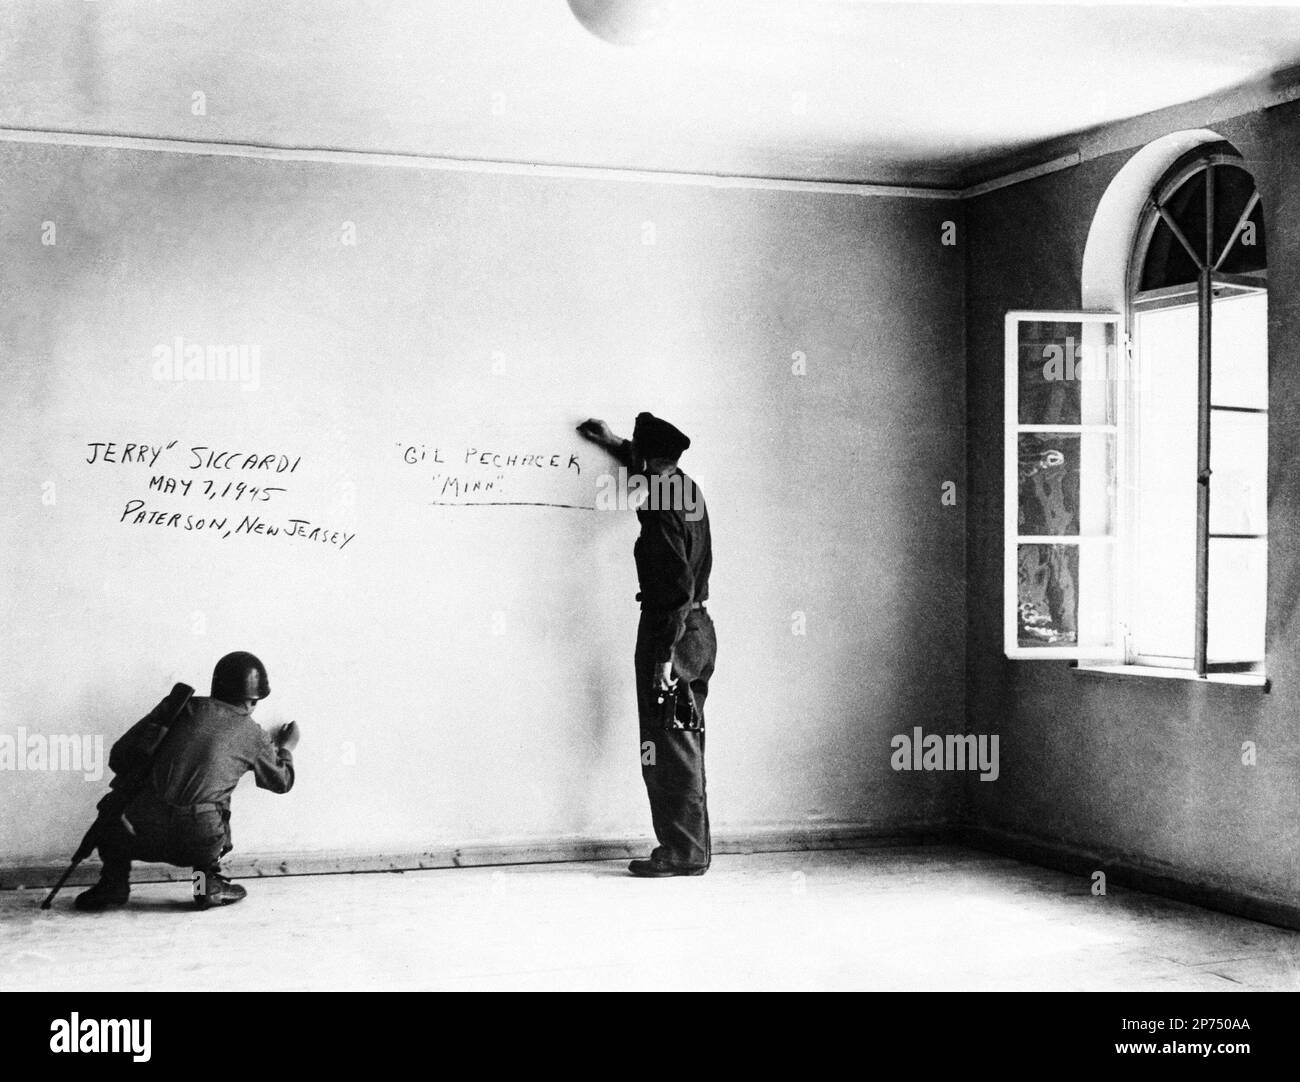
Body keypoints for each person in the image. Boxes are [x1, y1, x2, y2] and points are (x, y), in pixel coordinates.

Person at [578, 412, 716, 877]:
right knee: (681, 741)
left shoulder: (661, 502)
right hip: (697, 630)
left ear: (651, 457)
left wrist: (662, 657)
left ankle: (683, 853)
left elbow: (674, 586)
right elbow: (645, 463)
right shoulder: (682, 486)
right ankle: (689, 848)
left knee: (668, 746)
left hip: (671, 631)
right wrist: (616, 442)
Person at [74, 651, 298, 911]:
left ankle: (113, 884)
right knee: (215, 807)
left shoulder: (178, 710)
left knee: (113, 810)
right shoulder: (253, 734)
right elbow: (283, 782)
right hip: (198, 843)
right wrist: (287, 747)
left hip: (139, 834)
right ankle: (205, 888)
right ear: (251, 700)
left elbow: (119, 756)